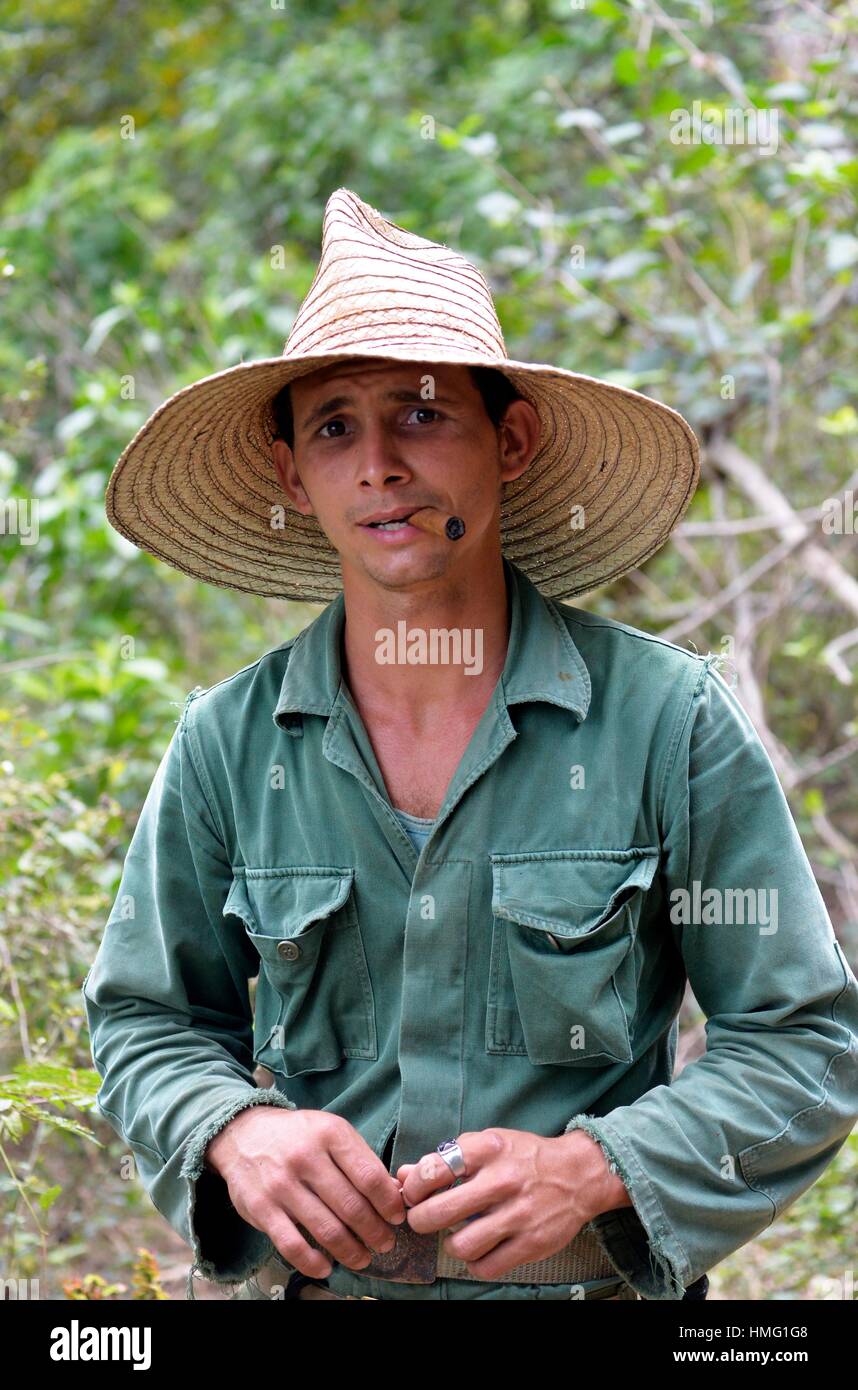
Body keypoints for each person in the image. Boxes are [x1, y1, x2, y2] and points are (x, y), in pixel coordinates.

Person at [83, 188, 858, 1303]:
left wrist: (596, 1167)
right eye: (334, 426)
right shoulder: (229, 743)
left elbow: (804, 1040)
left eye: (424, 412)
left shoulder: (665, 720)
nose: (381, 464)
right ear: (292, 478)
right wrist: (234, 1129)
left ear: (513, 438)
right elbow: (147, 1015)